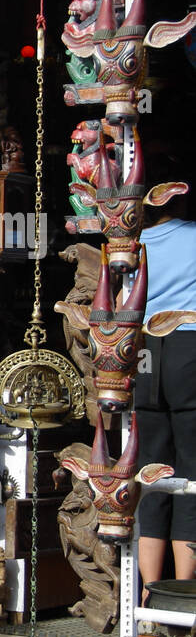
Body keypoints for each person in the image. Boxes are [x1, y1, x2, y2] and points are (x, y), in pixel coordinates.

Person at [136, 166, 196, 603]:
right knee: (192, 473)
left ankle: (147, 597)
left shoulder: (130, 244)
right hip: (190, 348)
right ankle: (185, 591)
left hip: (142, 355)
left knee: (151, 473)